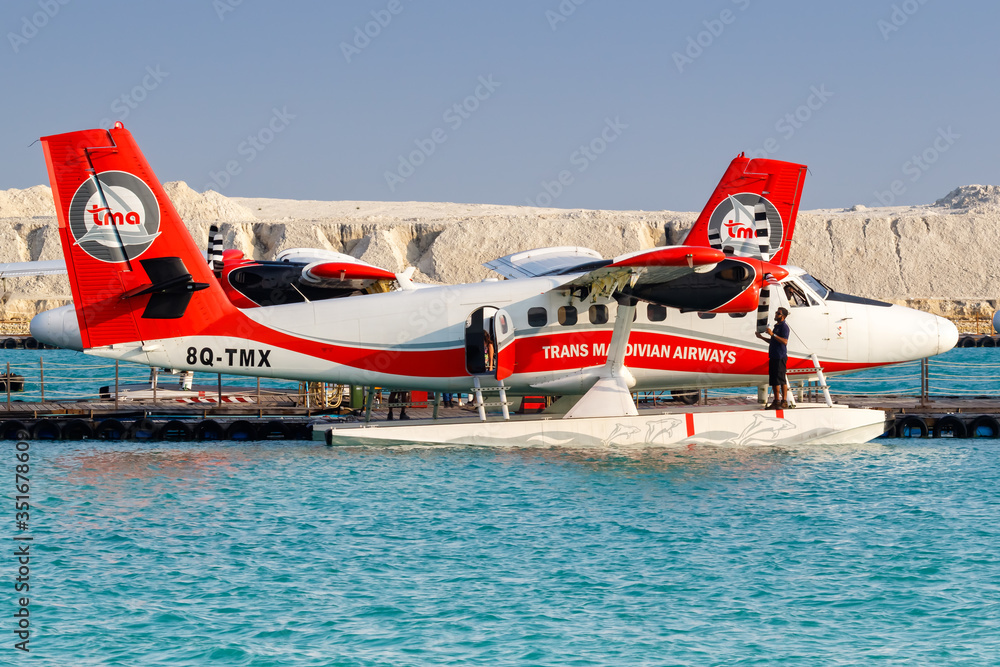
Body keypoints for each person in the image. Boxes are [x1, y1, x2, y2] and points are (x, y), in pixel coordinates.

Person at [755, 307, 790, 409]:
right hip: (774, 356)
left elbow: (784, 341)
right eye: (776, 313)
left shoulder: (784, 327)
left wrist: (772, 334)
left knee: (781, 379)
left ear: (783, 316)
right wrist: (762, 338)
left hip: (780, 356)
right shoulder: (776, 326)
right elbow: (773, 341)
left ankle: (784, 401)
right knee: (774, 380)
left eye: (778, 313)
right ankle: (776, 401)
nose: (776, 315)